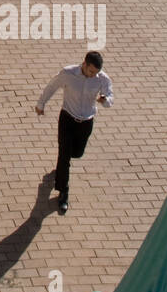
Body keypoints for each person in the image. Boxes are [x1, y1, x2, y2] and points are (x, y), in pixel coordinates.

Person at [36, 51, 113, 213]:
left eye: (96, 72)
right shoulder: (68, 73)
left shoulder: (102, 79)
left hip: (86, 122)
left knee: (77, 153)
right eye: (91, 71)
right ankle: (63, 190)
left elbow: (110, 99)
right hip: (67, 119)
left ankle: (62, 167)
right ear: (84, 64)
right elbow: (52, 87)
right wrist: (41, 104)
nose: (93, 75)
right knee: (64, 155)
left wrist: (105, 100)